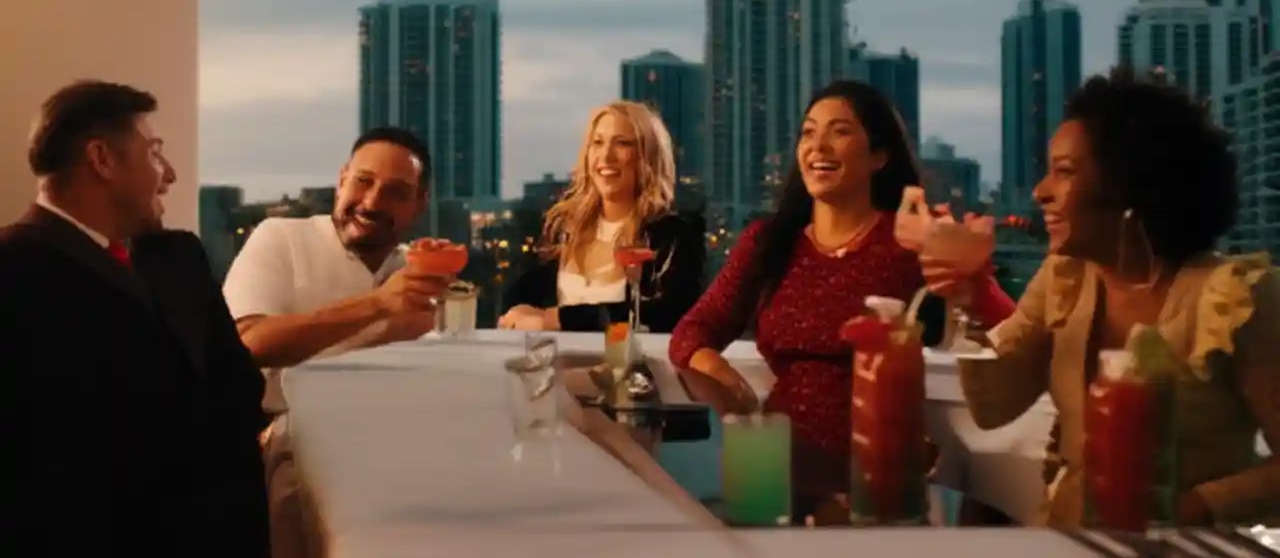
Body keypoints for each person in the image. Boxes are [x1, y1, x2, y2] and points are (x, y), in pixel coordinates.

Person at [956, 67, 1280, 527]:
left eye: (1064, 173)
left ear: (1131, 186)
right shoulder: (1065, 279)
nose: (1041, 192)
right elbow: (994, 406)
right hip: (1071, 541)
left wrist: (1194, 506)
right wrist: (969, 296)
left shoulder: (1235, 298)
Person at [669, 80, 991, 501]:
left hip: (877, 474)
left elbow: (979, 329)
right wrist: (731, 387)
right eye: (808, 132)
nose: (817, 146)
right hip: (773, 467)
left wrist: (960, 263)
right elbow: (693, 331)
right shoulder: (768, 241)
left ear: (879, 156)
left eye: (839, 132)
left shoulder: (908, 242)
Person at [0, 80, 269, 555]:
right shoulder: (13, 270)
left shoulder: (178, 257)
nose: (170, 174)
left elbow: (241, 389)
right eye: (154, 153)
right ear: (101, 158)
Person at [222, 126, 454, 557]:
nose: (372, 202)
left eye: (396, 192)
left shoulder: (412, 268)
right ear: (342, 179)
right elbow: (244, 345)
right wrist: (379, 304)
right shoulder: (280, 237)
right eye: (363, 181)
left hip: (395, 449)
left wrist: (438, 317)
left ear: (419, 205)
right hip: (286, 443)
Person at [499, 101, 704, 333]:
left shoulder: (674, 234)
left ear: (648, 156)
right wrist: (518, 312)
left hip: (623, 357)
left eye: (622, 143)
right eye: (597, 143)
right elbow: (515, 299)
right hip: (555, 357)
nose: (606, 156)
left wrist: (557, 319)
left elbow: (664, 316)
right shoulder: (561, 229)